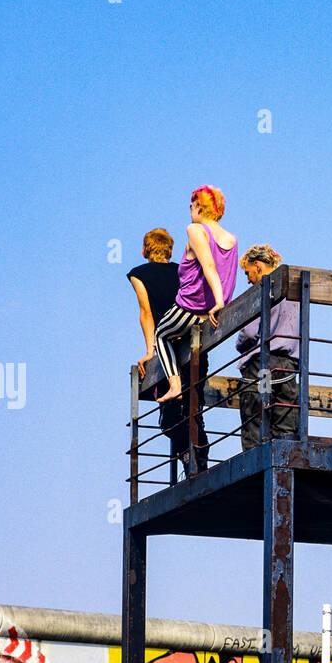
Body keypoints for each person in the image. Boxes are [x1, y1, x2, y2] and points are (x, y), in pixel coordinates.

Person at [152, 185, 240, 467]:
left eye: (191, 206)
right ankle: (196, 448)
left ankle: (175, 384)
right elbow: (226, 273)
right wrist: (223, 300)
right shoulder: (230, 238)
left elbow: (210, 267)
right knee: (193, 362)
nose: (189, 212)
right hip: (209, 317)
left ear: (199, 207)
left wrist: (216, 301)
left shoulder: (195, 231)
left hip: (191, 309)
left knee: (161, 333)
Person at [126, 229, 191, 478]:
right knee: (193, 407)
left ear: (145, 250)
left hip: (168, 352)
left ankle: (190, 459)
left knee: (168, 418)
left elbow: (146, 313)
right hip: (192, 346)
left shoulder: (138, 274)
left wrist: (150, 350)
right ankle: (198, 460)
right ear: (170, 251)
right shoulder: (181, 270)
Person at [236, 245, 300, 448]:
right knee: (285, 422)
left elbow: (248, 332)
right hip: (288, 367)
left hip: (262, 368)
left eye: (248, 272)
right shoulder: (294, 291)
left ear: (257, 266)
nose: (248, 279)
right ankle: (283, 464)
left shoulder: (262, 290)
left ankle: (255, 472)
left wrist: (239, 345)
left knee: (256, 419)